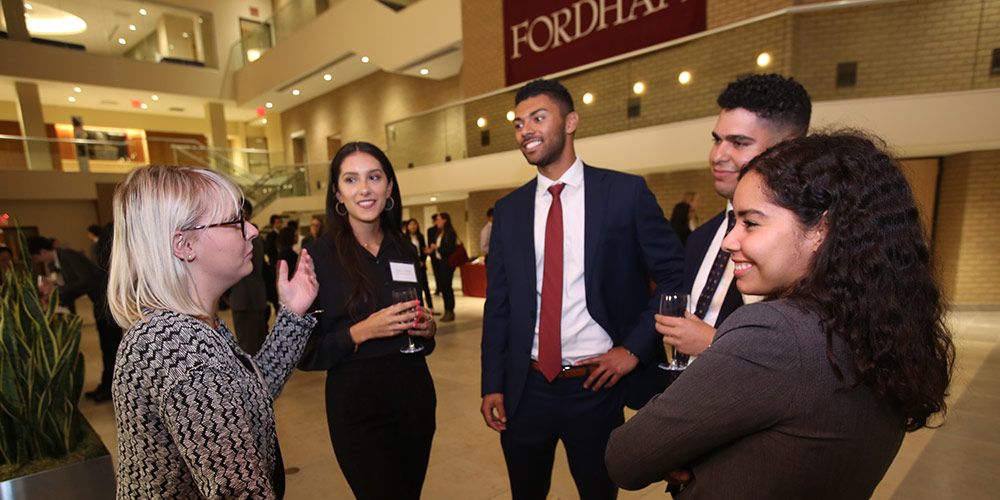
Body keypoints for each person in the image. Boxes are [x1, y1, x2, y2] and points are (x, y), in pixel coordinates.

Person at [607, 132, 955, 498]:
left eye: (751, 223)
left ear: (821, 228)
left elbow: (626, 458)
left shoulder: (775, 331)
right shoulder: (873, 322)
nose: (729, 241)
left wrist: (695, 455)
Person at [480, 79, 685, 499]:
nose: (525, 131)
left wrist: (632, 349)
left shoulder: (625, 194)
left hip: (595, 387)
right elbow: (498, 304)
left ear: (571, 121)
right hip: (526, 388)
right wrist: (492, 382)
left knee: (597, 491)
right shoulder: (509, 211)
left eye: (538, 118)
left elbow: (673, 276)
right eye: (518, 124)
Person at [107, 165, 318, 499]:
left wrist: (292, 315)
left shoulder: (188, 326)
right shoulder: (180, 347)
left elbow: (245, 395)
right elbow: (239, 491)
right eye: (235, 221)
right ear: (184, 244)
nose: (251, 230)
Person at [299, 142, 437, 499]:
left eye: (374, 177)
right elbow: (307, 353)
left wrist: (428, 329)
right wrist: (361, 331)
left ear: (389, 187)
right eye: (351, 179)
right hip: (356, 406)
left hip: (414, 398)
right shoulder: (318, 255)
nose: (364, 189)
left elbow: (419, 330)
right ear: (337, 193)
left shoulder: (403, 248)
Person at [657, 73, 812, 361]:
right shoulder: (702, 237)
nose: (717, 155)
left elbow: (805, 356)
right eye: (717, 140)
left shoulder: (807, 245)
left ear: (788, 148)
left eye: (739, 143)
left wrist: (714, 343)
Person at [28, 235, 122, 403]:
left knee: (110, 348)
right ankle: (106, 386)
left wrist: (58, 291)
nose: (36, 261)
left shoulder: (67, 255)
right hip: (101, 304)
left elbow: (86, 280)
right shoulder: (59, 260)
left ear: (41, 252)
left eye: (35, 256)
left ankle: (111, 390)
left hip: (106, 304)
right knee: (106, 348)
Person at [229, 199, 271, 355]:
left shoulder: (241, 238)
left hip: (243, 300)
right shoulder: (257, 238)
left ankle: (253, 379)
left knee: (249, 347)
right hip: (257, 297)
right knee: (258, 345)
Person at [429, 212, 457, 322]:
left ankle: (449, 310)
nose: (437, 221)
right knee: (444, 287)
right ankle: (447, 310)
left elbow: (450, 248)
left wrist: (437, 247)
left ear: (445, 220)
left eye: (439, 219)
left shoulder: (450, 232)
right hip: (440, 263)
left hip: (447, 263)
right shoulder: (440, 232)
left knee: (447, 288)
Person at [405, 218, 435, 311]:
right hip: (411, 266)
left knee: (425, 285)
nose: (413, 226)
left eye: (415, 224)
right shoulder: (405, 237)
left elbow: (423, 250)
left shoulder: (420, 236)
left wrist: (423, 260)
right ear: (407, 227)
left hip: (421, 265)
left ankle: (430, 307)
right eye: (411, 225)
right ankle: (418, 307)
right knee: (414, 287)